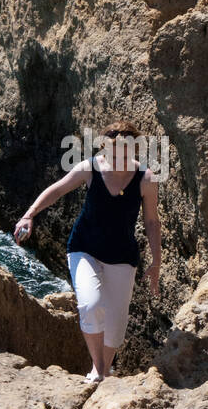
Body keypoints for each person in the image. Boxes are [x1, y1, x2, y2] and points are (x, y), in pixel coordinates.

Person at [13, 121, 161, 382]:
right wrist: (29, 215)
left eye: (126, 150)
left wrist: (156, 262)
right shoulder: (90, 168)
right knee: (91, 305)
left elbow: (151, 222)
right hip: (84, 248)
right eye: (114, 150)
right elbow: (57, 190)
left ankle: (105, 370)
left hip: (122, 255)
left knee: (117, 321)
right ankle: (97, 367)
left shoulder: (145, 178)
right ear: (105, 147)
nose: (119, 156)